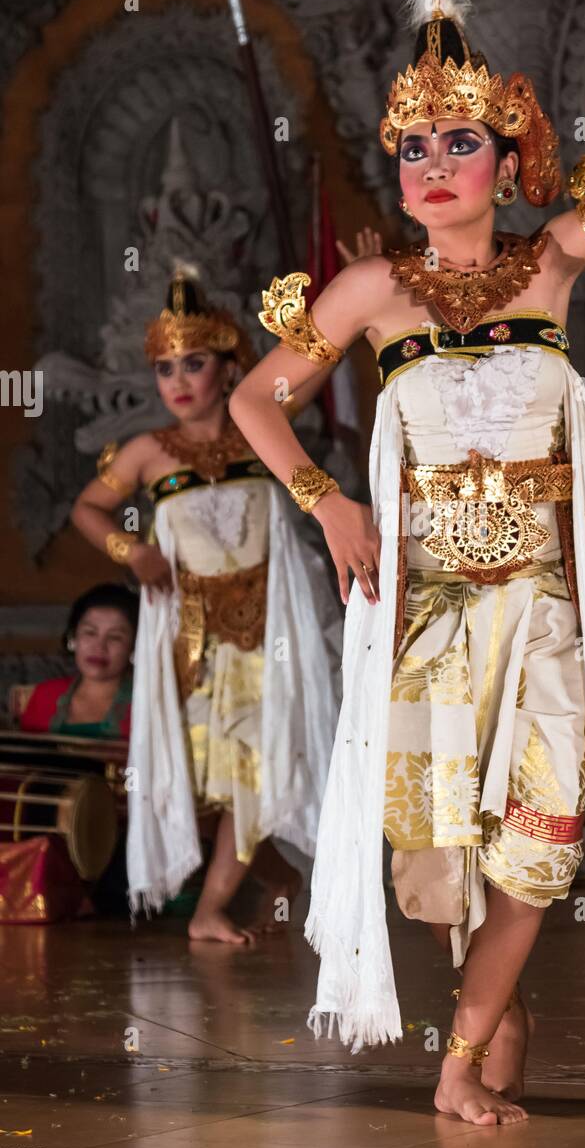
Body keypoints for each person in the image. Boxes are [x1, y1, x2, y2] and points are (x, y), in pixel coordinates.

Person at [230, 0, 585, 1123]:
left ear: (506, 163)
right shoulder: (370, 289)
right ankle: (489, 995)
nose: (429, 168)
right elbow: (254, 400)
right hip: (422, 621)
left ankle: (457, 1060)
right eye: (412, 151)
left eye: (456, 144)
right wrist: (326, 498)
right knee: (429, 875)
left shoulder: (552, 263)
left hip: (543, 612)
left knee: (537, 842)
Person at [71, 269, 342, 943]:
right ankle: (275, 879)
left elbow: (322, 360)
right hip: (190, 643)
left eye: (195, 363)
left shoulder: (264, 427)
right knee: (212, 782)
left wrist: (340, 290)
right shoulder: (146, 453)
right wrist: (129, 552)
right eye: (165, 369)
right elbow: (88, 508)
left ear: (230, 365)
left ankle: (210, 912)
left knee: (256, 766)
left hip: (269, 637)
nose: (179, 380)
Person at [14, 584, 138, 738]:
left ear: (134, 646)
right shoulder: (44, 696)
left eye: (115, 637)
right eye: (90, 633)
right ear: (73, 638)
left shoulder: (147, 707)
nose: (99, 647)